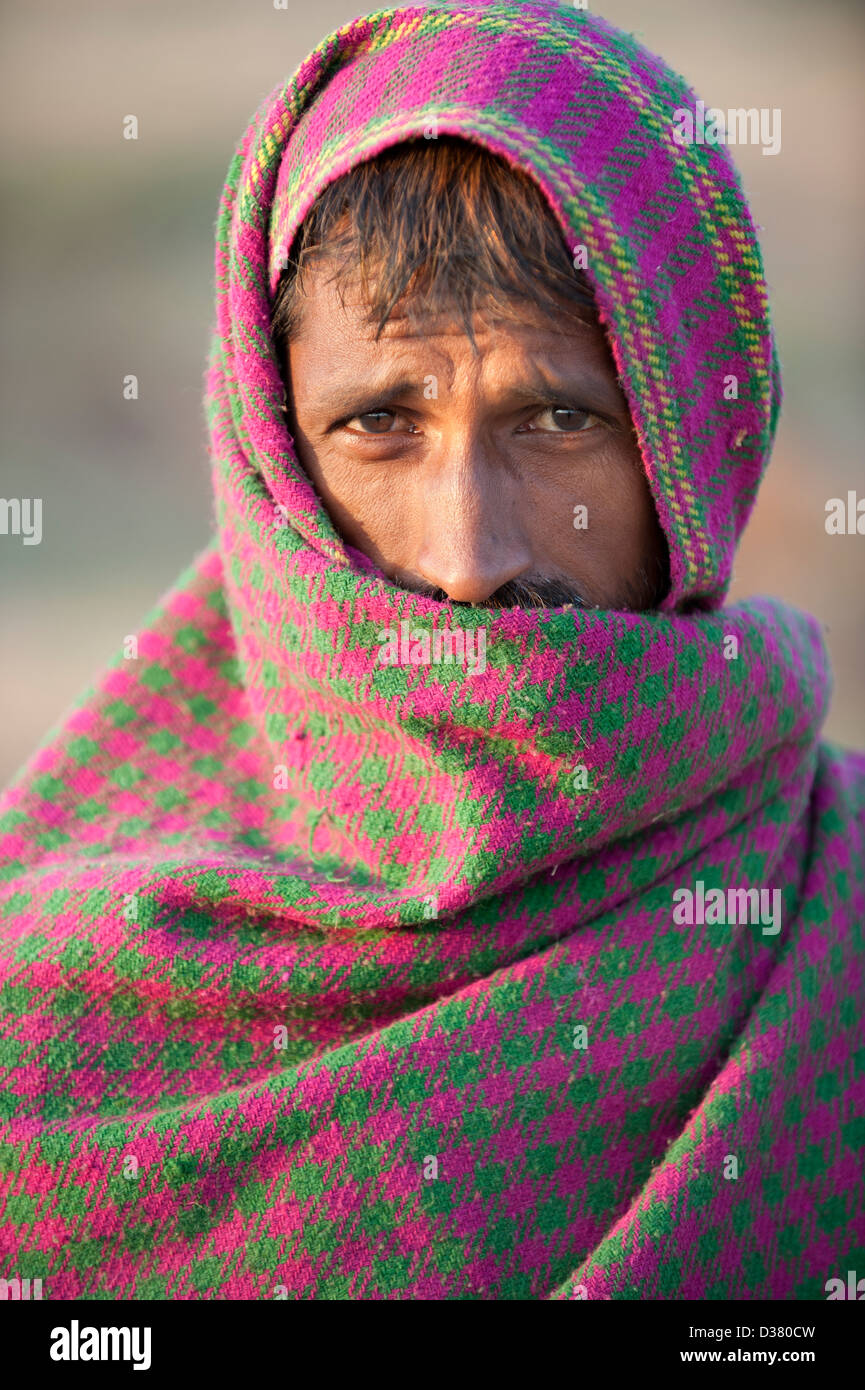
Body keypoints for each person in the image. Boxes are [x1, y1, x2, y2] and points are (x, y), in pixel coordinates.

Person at [0, 0, 862, 1301]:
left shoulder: (831, 928)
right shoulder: (63, 1008)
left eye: (557, 416)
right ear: (273, 450)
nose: (468, 554)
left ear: (693, 443)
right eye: (378, 423)